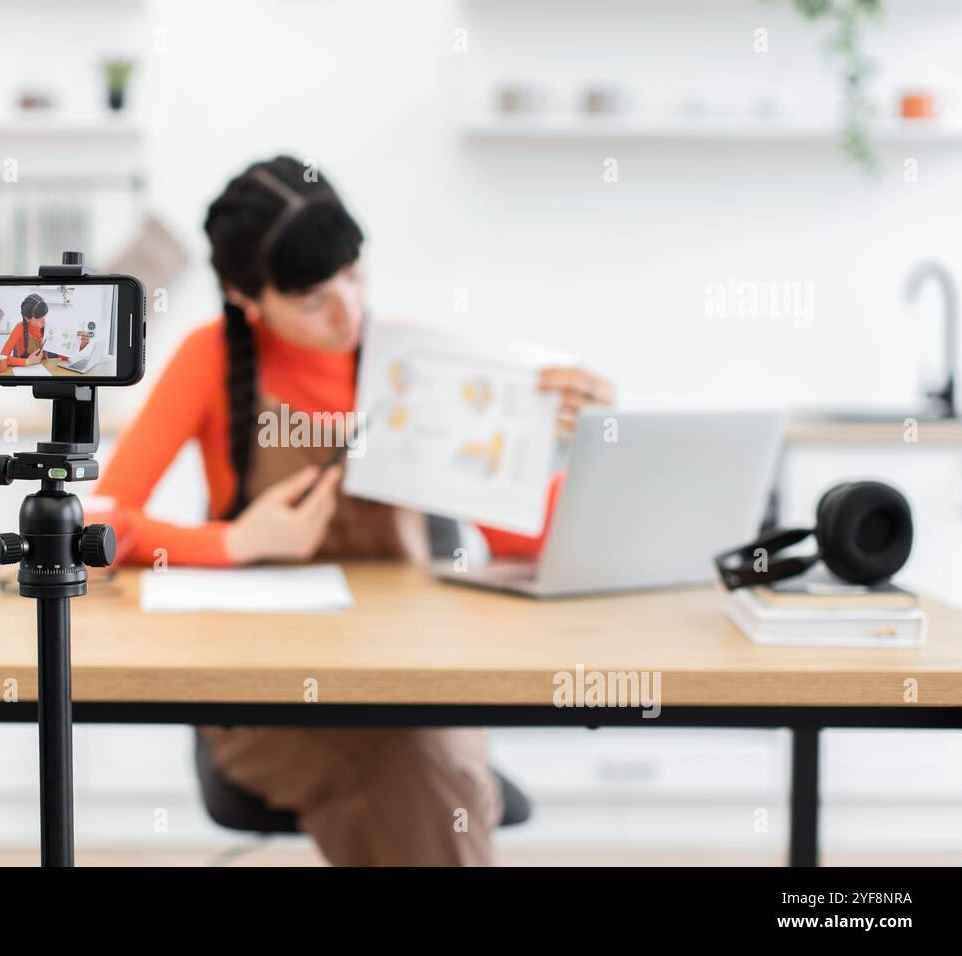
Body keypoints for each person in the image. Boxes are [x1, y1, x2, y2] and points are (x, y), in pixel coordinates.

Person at [90, 156, 614, 865]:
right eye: (312, 299)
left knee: (422, 760)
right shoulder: (209, 359)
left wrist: (578, 448)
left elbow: (522, 537)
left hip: (411, 672)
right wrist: (239, 542)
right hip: (264, 689)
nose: (348, 311)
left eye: (354, 275)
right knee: (423, 775)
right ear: (249, 297)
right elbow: (98, 528)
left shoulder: (413, 364)